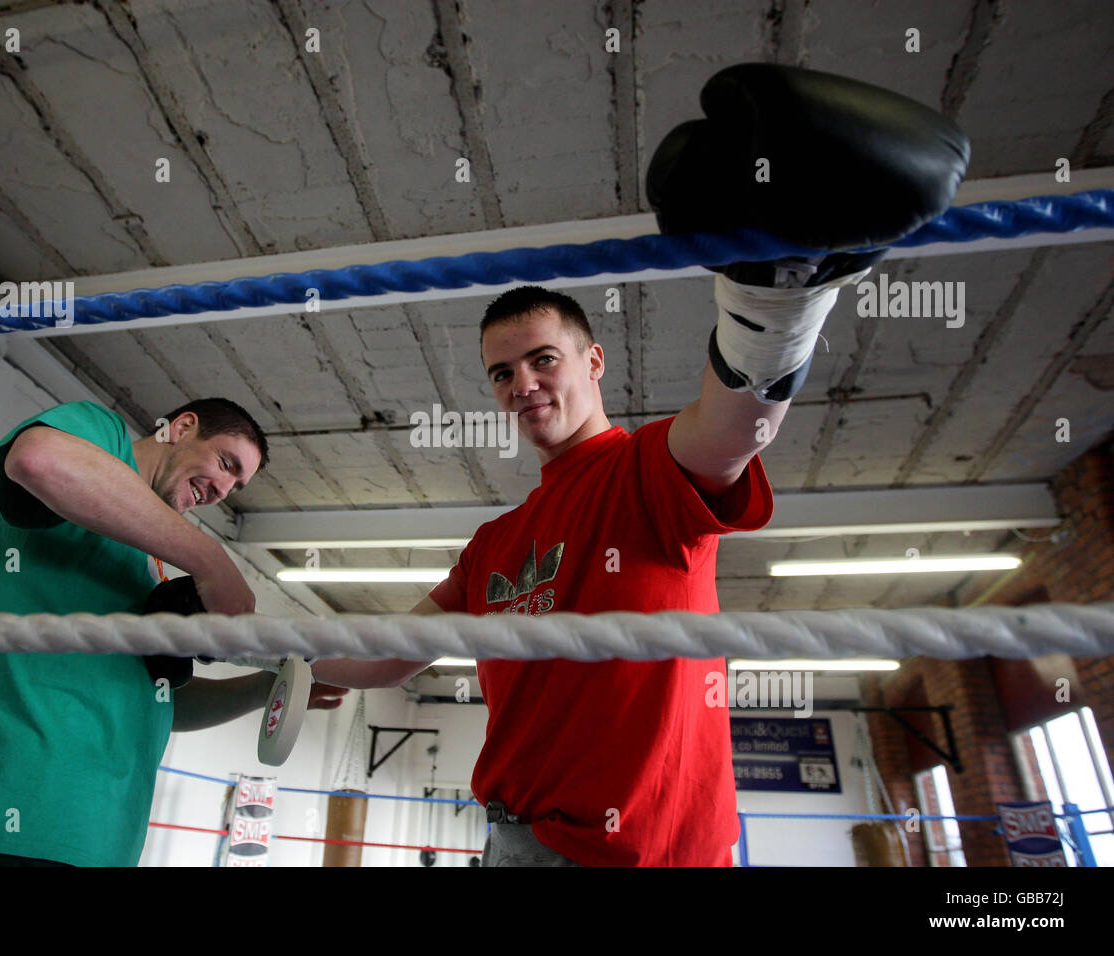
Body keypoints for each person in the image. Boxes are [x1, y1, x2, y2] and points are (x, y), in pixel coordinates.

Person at [312, 63, 968, 865]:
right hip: (511, 841)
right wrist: (287, 659)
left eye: (542, 360)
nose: (523, 385)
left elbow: (733, 430)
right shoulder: (492, 544)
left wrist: (775, 297)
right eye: (500, 373)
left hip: (646, 853)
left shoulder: (645, 471)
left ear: (593, 362)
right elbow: (387, 653)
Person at [0, 397, 343, 868]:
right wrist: (211, 559)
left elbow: (150, 701)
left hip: (94, 838)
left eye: (236, 487)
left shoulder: (154, 568)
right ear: (183, 427)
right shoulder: (102, 439)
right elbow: (39, 458)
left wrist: (265, 690)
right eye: (226, 464)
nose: (222, 491)